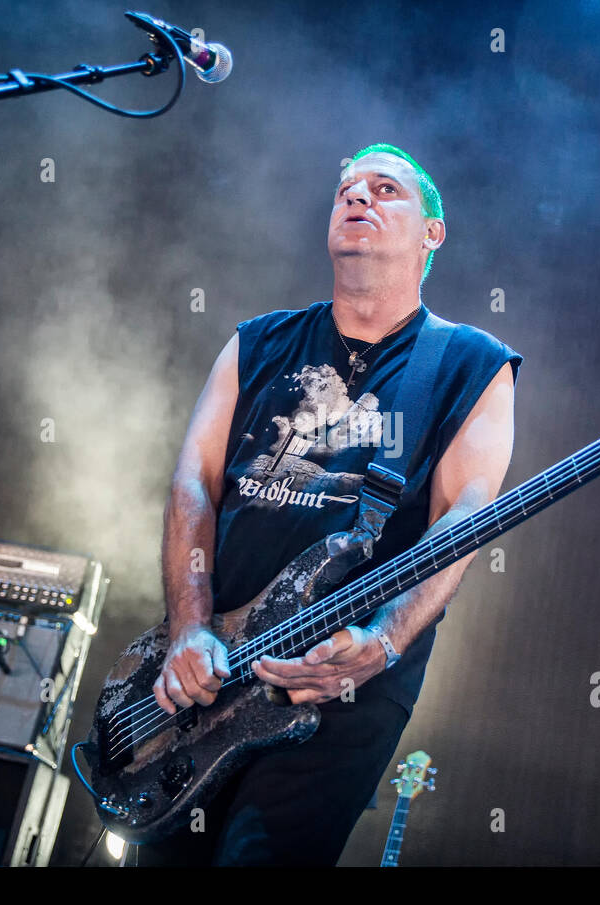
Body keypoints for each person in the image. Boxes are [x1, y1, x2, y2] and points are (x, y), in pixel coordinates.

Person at [142, 143, 521, 865]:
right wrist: (189, 625)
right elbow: (192, 483)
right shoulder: (257, 342)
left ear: (431, 233)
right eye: (346, 189)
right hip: (211, 667)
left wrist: (383, 642)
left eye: (385, 190)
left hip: (336, 695)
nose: (358, 198)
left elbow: (463, 524)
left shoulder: (472, 365)